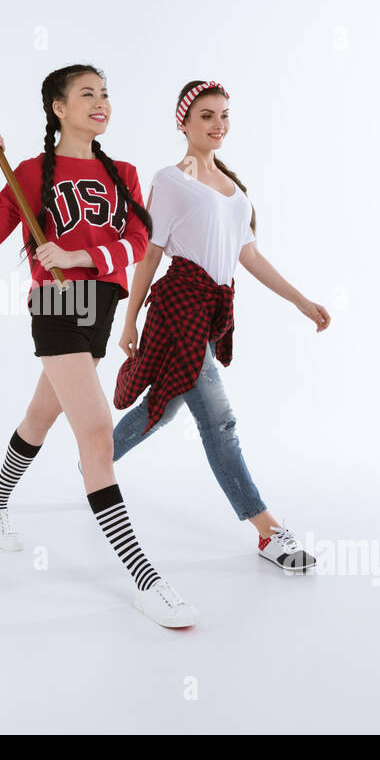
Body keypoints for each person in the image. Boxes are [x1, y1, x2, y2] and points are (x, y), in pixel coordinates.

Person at [0, 63, 199, 628]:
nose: (100, 102)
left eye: (105, 94)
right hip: (54, 308)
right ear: (58, 108)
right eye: (86, 94)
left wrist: (78, 257)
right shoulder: (27, 172)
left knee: (40, 416)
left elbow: (139, 241)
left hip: (101, 307)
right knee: (95, 434)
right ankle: (147, 580)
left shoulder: (121, 171)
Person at [111, 80, 330, 573]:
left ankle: (95, 463)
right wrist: (129, 316)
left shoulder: (234, 190)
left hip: (212, 311)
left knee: (162, 408)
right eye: (207, 116)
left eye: (225, 115)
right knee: (220, 420)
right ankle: (268, 531)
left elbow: (248, 255)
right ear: (183, 123)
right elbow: (151, 253)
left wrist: (300, 301)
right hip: (178, 306)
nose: (218, 125)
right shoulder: (170, 180)